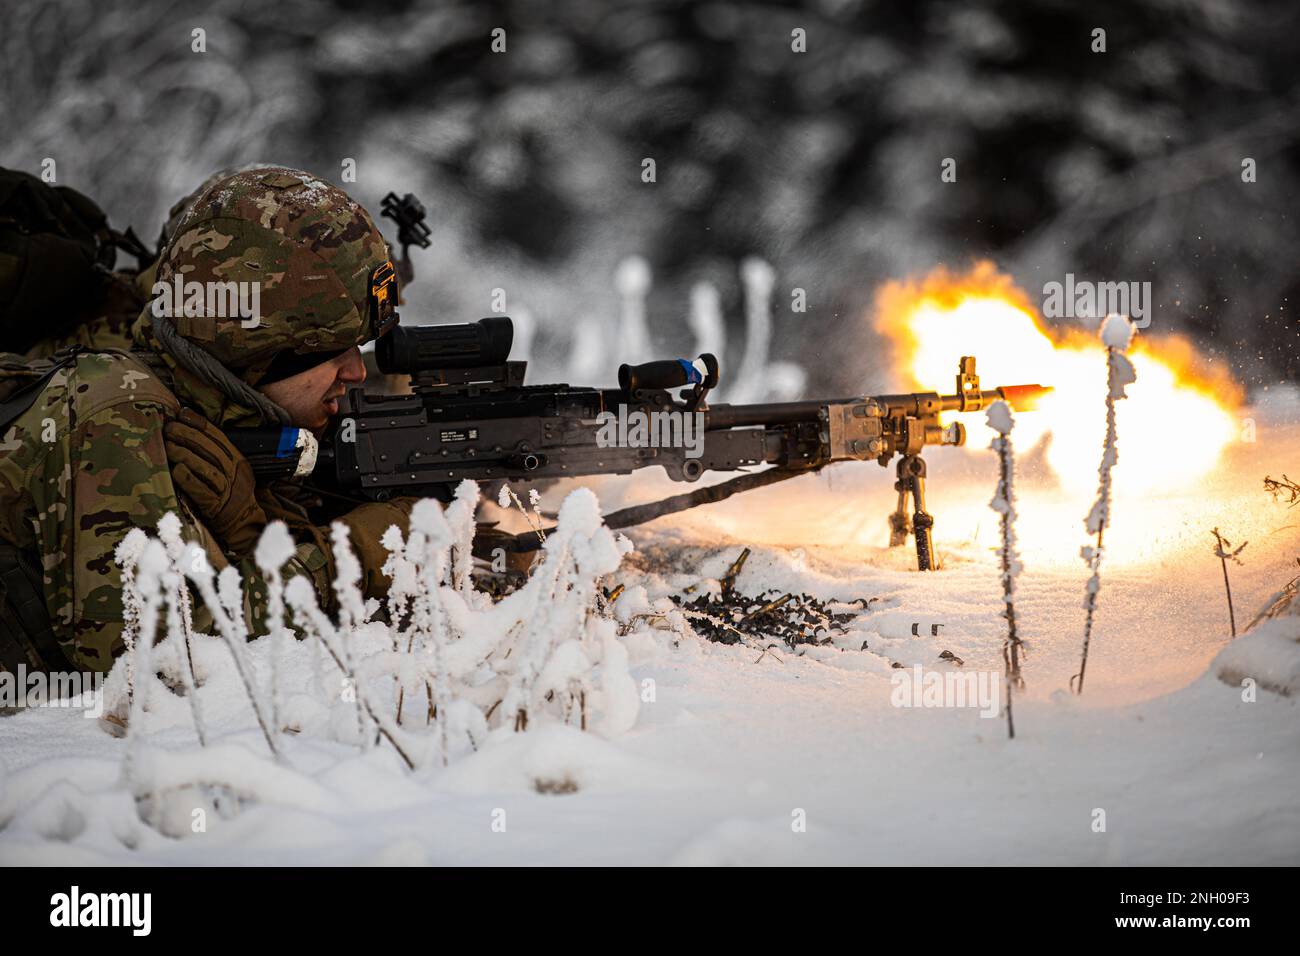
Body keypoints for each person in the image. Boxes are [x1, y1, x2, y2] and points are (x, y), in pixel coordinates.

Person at [0, 166, 418, 674]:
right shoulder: (113, 413)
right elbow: (160, 665)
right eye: (331, 350)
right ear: (254, 347)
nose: (355, 371)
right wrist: (348, 560)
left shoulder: (222, 411)